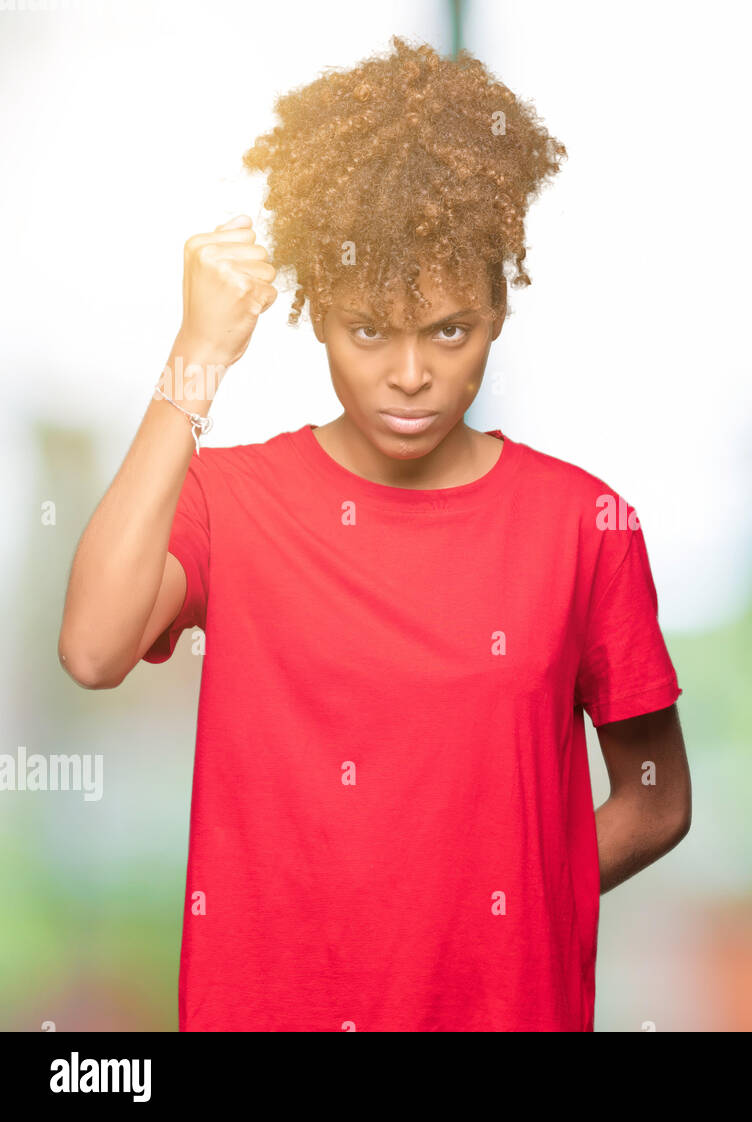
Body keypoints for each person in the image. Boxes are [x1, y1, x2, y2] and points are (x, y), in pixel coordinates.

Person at [56, 35, 690, 1032]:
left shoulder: (584, 524)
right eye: (367, 330)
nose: (408, 376)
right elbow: (93, 650)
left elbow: (654, 795)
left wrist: (485, 914)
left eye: (448, 330)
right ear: (315, 313)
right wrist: (196, 356)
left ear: (497, 307)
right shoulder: (231, 500)